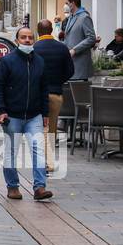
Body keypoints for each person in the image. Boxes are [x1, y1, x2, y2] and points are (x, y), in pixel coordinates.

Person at [0, 26, 53, 201]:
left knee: (38, 150)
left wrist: (45, 113)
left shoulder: (39, 61)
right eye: (23, 37)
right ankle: (13, 187)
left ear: (34, 40)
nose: (27, 40)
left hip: (34, 116)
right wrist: (1, 110)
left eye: (30, 38)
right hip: (12, 116)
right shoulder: (7, 61)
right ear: (17, 40)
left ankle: (40, 187)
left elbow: (44, 89)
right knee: (11, 152)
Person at [34, 19, 75, 174]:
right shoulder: (62, 48)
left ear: (38, 32)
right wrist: (58, 80)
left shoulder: (34, 48)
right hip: (56, 93)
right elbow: (70, 70)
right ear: (51, 30)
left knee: (40, 129)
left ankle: (45, 162)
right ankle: (48, 161)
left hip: (38, 95)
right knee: (52, 128)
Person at [59, 0, 97, 81]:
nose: (65, 5)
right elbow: (69, 38)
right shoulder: (72, 17)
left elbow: (91, 38)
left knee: (79, 93)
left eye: (66, 3)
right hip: (71, 64)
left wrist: (74, 50)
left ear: (73, 3)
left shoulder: (84, 17)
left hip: (80, 65)